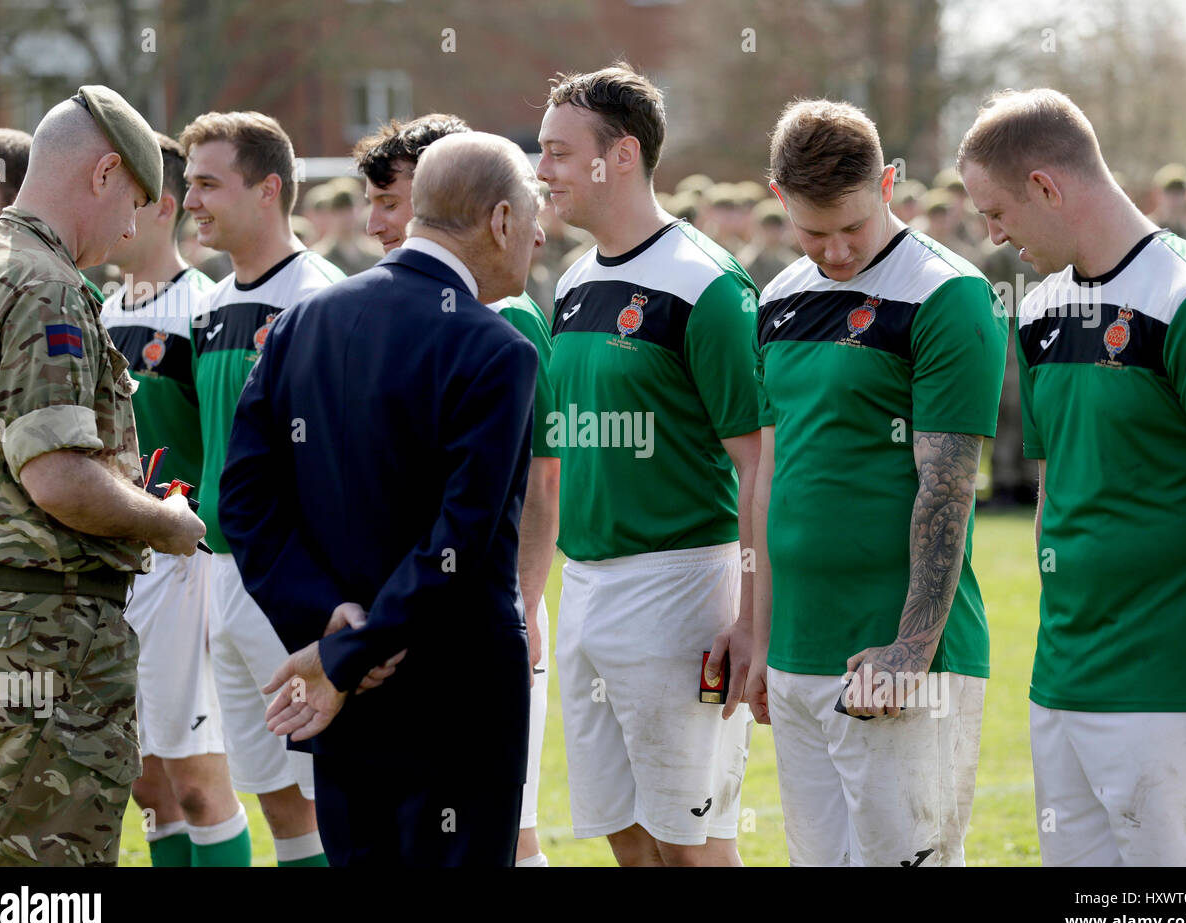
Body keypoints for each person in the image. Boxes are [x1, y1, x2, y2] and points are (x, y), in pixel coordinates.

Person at [219, 132, 543, 866]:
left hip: (343, 688)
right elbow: (458, 539)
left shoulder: (303, 322)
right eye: (531, 213)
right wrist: (349, 651)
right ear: (499, 220)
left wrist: (331, 625)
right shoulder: (497, 350)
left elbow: (242, 499)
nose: (541, 232)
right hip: (455, 696)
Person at [959, 87, 1186, 865]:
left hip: (1172, 691)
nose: (991, 235)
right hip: (1062, 683)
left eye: (997, 213)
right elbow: (1058, 486)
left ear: (1047, 188)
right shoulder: (1040, 310)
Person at [744, 99, 1006, 867]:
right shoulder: (779, 296)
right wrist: (761, 638)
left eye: (852, 228)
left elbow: (948, 487)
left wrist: (910, 649)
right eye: (812, 230)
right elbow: (767, 475)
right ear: (777, 197)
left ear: (888, 182)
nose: (835, 250)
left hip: (898, 655)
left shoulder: (945, 293)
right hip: (797, 647)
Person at [0, 85, 205, 866]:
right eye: (134, 200)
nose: (132, 229)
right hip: (45, 637)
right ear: (102, 175)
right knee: (56, 890)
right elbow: (58, 476)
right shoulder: (46, 286)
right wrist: (169, 523)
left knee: (6, 872)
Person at [536, 63, 761, 867]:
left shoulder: (706, 283)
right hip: (588, 582)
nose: (542, 172)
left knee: (692, 845)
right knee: (628, 841)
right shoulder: (571, 281)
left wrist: (751, 612)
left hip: (681, 586)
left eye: (560, 153)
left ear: (619, 156)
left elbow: (757, 460)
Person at [353, 113, 560, 867]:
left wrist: (525, 602)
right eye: (372, 203)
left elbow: (540, 476)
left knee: (501, 826)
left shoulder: (507, 319)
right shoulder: (383, 308)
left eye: (392, 201)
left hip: (478, 619)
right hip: (403, 610)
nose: (379, 223)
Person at [181, 110, 345, 867]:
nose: (192, 202)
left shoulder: (324, 300)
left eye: (209, 184)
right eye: (188, 186)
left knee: (329, 788)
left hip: (293, 580)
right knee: (272, 792)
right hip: (219, 576)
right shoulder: (211, 306)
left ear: (269, 188)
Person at [100, 132, 247, 866]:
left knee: (197, 781)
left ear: (160, 206)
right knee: (149, 786)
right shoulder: (95, 311)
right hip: (117, 570)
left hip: (187, 567)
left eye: (119, 193)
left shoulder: (204, 310)